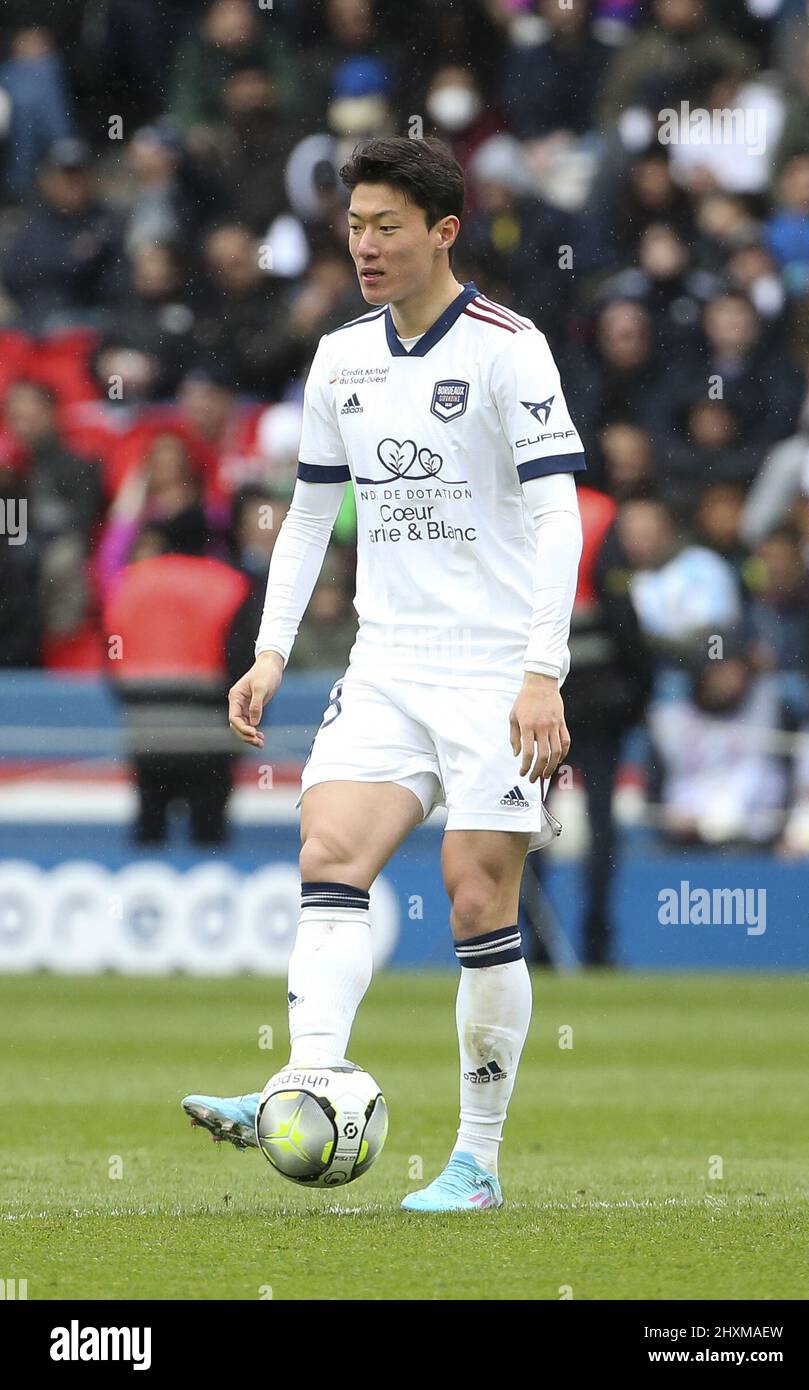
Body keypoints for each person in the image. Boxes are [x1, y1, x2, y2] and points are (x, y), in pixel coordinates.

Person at [181, 135, 585, 1213]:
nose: (363, 244)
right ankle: (306, 1075)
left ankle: (477, 1159)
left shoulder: (510, 348)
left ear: (442, 233)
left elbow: (557, 513)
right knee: (327, 850)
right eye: (353, 223)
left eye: (385, 226)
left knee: (472, 895)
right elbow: (310, 510)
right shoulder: (340, 357)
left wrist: (541, 670)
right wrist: (270, 648)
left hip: (498, 669)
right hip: (388, 661)